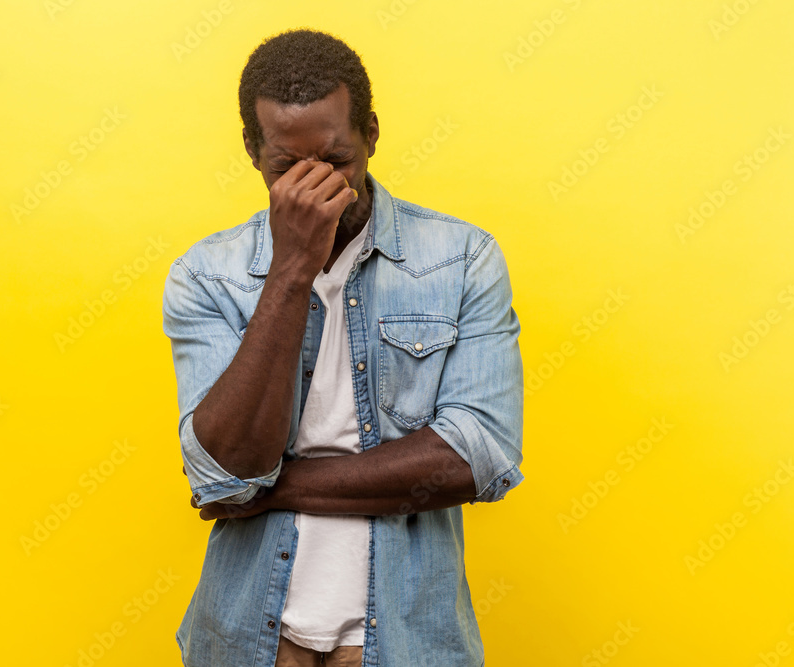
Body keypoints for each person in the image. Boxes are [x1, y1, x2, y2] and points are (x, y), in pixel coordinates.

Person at [161, 27, 524, 667]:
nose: (316, 188)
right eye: (287, 168)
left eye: (336, 162)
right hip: (251, 639)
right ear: (252, 149)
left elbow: (479, 454)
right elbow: (224, 466)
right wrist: (290, 271)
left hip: (407, 642)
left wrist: (268, 489)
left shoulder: (463, 259)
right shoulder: (206, 275)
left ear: (372, 135)